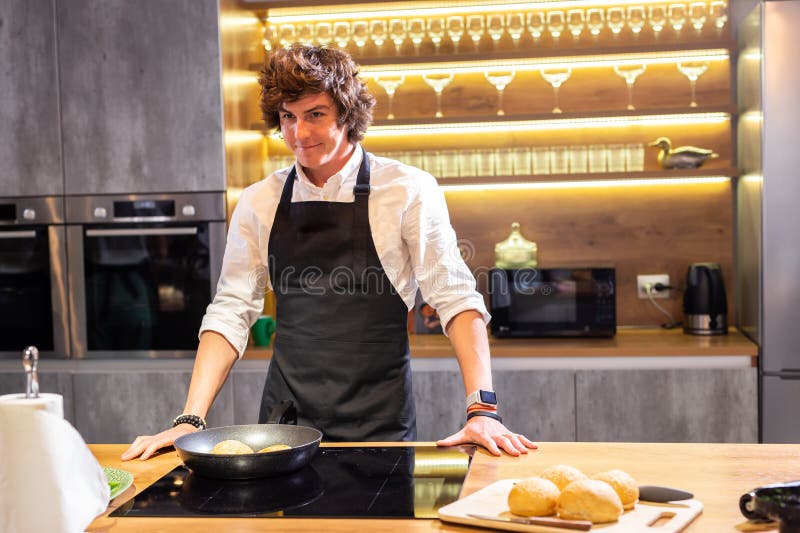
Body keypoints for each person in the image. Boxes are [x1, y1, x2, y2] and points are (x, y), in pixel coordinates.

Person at [122, 44, 536, 461]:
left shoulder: (406, 190)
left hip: (380, 427)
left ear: (348, 114)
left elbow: (456, 298)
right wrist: (190, 419)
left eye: (315, 115)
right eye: (288, 117)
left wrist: (483, 409)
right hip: (284, 429)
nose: (299, 133)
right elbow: (231, 308)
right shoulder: (258, 200)